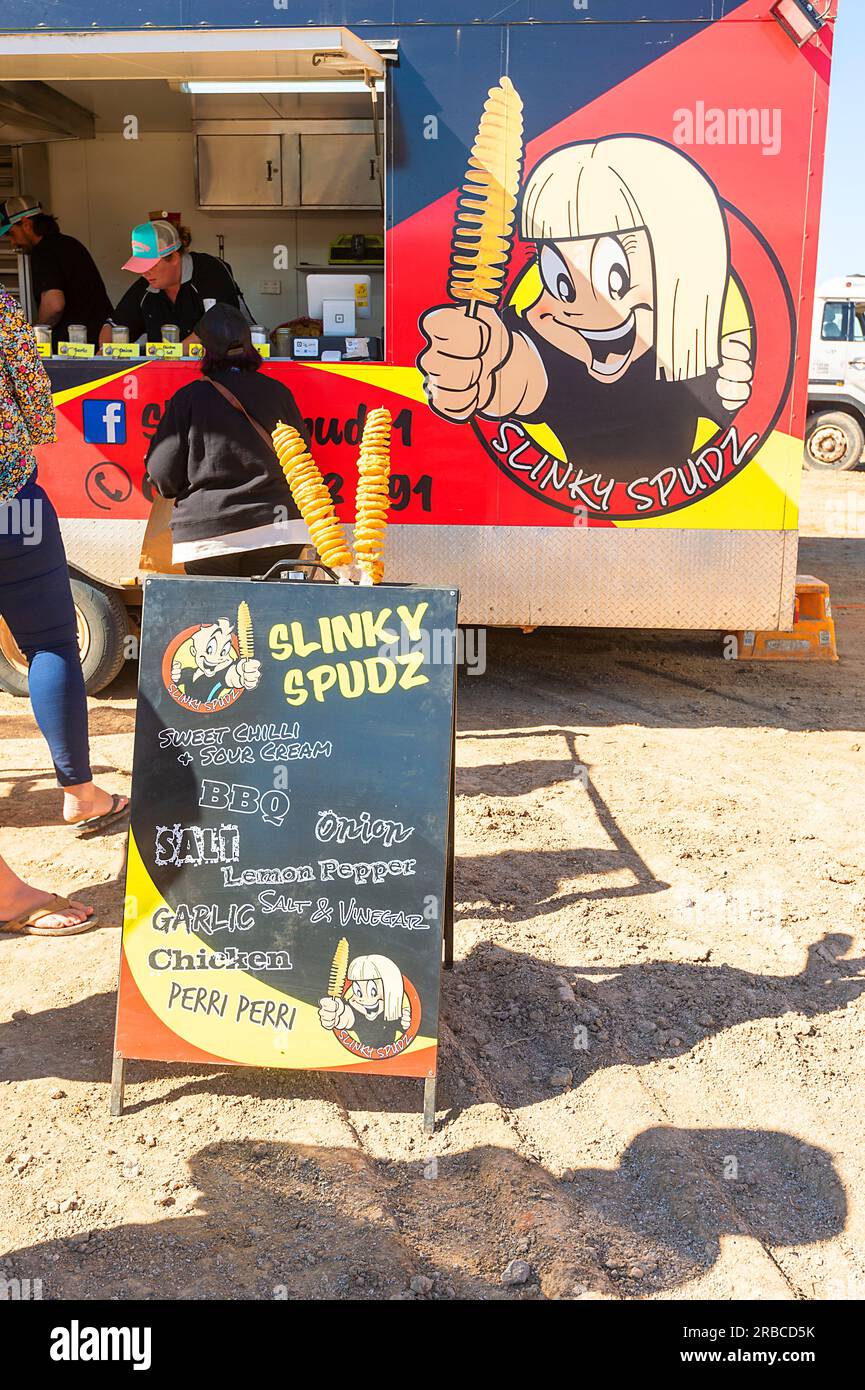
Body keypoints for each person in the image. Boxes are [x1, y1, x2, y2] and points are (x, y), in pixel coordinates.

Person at [0, 286, 128, 937]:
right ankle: (81, 792)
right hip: (11, 507)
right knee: (52, 641)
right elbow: (42, 418)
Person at [144, 303, 312, 576]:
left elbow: (162, 475)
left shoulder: (188, 398)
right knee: (269, 617)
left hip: (210, 533)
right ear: (250, 346)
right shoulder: (279, 393)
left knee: (217, 618)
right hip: (279, 526)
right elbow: (301, 459)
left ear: (206, 351)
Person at [100, 219, 245, 351]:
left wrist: (174, 354)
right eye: (141, 266)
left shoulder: (210, 270)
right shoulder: (145, 286)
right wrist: (105, 353)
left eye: (151, 265)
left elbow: (221, 322)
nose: (145, 273)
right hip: (172, 372)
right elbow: (113, 327)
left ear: (175, 258)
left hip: (235, 366)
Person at [0, 195, 113, 351]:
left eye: (11, 234)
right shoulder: (70, 243)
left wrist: (34, 335)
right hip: (99, 345)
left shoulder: (43, 252)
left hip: (74, 352)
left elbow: (54, 305)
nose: (12, 242)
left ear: (26, 223)